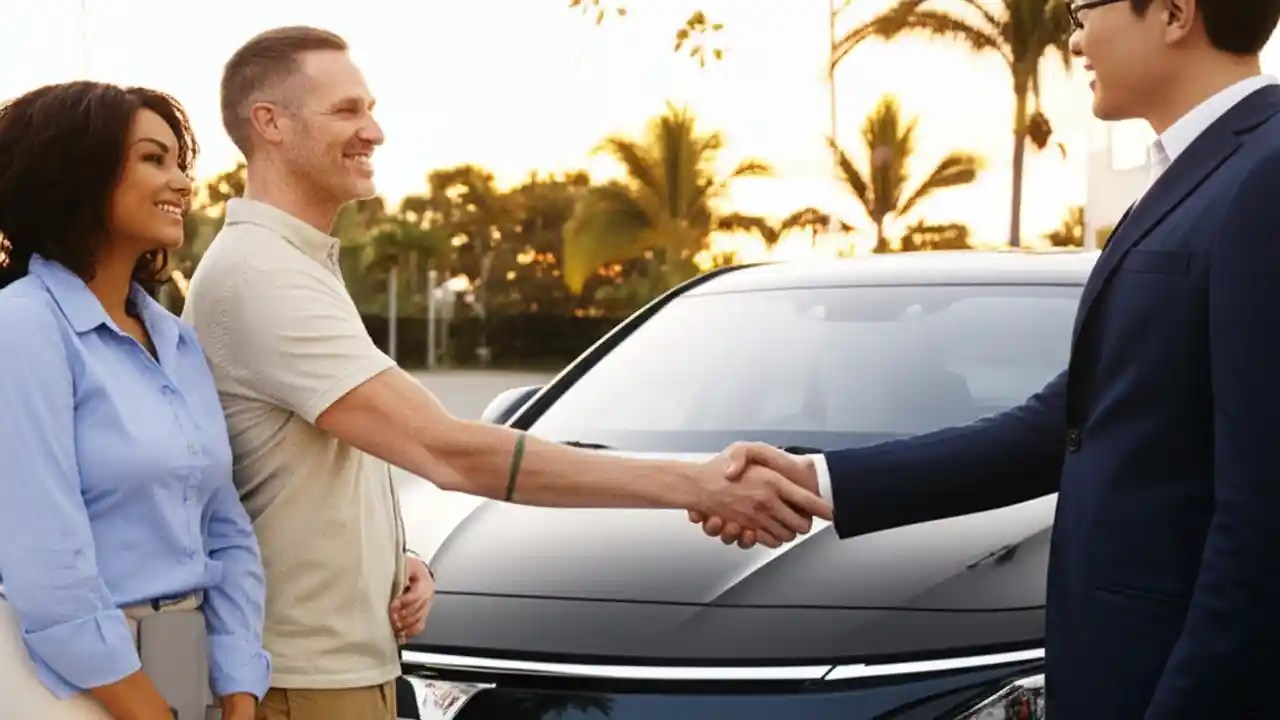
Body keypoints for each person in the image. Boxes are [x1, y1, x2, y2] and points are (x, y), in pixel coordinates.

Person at [180, 26, 829, 720]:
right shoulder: (262, 275)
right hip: (300, 679)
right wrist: (696, 483)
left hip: (342, 665)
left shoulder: (295, 263)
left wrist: (395, 559)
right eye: (347, 111)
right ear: (269, 123)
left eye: (369, 108)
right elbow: (445, 449)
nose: (374, 130)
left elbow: (328, 461)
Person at [694, 0, 1280, 717]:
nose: (1074, 36)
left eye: (1083, 9)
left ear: (1173, 13)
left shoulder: (1265, 175)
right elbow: (1061, 426)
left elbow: (1263, 515)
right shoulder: (1195, 177)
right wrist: (817, 479)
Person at [0, 82, 270, 719]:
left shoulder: (175, 340)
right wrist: (150, 712)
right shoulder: (22, 327)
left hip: (190, 669)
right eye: (154, 159)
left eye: (181, 163)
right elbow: (46, 559)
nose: (182, 183)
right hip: (71, 688)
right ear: (77, 174)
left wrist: (237, 690)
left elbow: (225, 528)